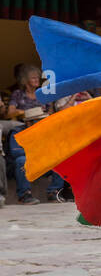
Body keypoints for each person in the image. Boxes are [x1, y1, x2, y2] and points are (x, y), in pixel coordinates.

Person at [4, 64, 66, 204]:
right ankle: (25, 195)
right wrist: (26, 114)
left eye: (38, 77)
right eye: (33, 78)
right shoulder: (18, 95)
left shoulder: (42, 93)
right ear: (25, 80)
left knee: (60, 155)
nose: (37, 80)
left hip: (42, 129)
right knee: (21, 160)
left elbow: (50, 111)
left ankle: (54, 192)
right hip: (23, 130)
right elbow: (10, 112)